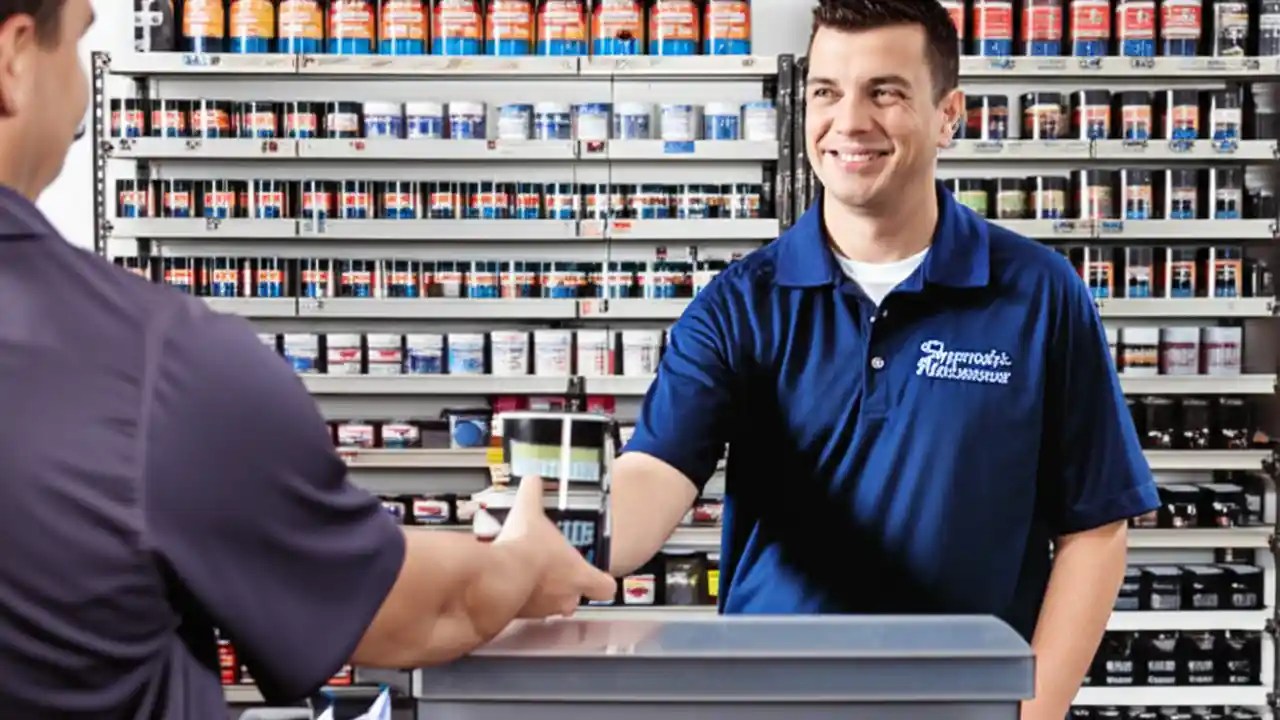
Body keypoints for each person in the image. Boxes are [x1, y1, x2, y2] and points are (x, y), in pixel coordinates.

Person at [0, 2, 615, 718]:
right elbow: (423, 613)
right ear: (14, 58)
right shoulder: (157, 369)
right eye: (76, 43)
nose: (79, 92)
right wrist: (522, 560)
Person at [606, 2, 1160, 719]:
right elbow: (653, 477)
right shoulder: (742, 304)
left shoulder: (1038, 293)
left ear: (948, 114)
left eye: (886, 92)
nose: (850, 122)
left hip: (967, 706)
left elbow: (1095, 528)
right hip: (773, 705)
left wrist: (1034, 710)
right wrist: (547, 536)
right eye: (828, 92)